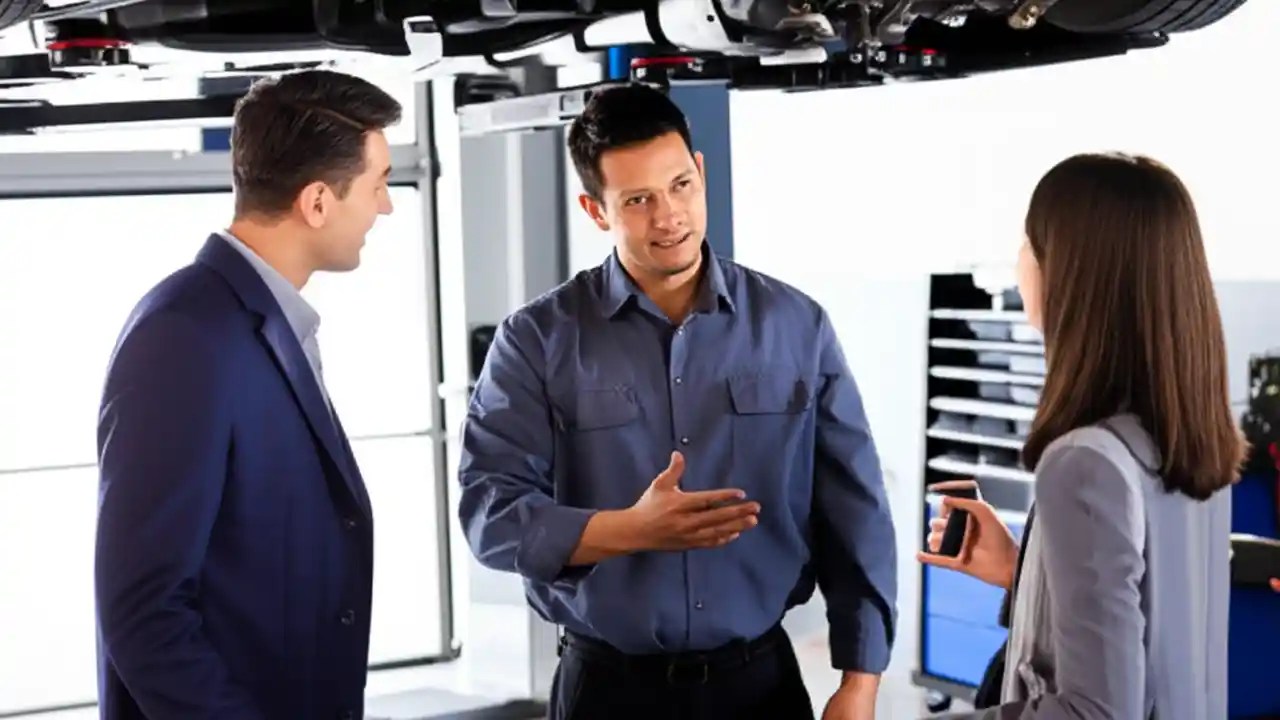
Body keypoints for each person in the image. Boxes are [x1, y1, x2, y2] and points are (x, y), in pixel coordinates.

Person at [457, 82, 898, 720]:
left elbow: (855, 510)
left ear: (701, 172)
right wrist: (626, 531)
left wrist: (861, 682)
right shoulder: (536, 339)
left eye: (679, 187)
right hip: (606, 691)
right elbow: (488, 513)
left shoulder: (797, 326)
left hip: (760, 688)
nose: (668, 216)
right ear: (595, 209)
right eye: (637, 200)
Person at [94, 69, 400, 720]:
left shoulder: (255, 320)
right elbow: (145, 612)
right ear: (317, 202)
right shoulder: (185, 335)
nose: (386, 205)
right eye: (378, 184)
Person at [919, 153, 1244, 719]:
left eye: (1028, 240)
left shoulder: (1084, 462)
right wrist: (1025, 573)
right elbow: (1150, 641)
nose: (1020, 260)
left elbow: (1095, 712)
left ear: (1070, 271)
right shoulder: (1192, 438)